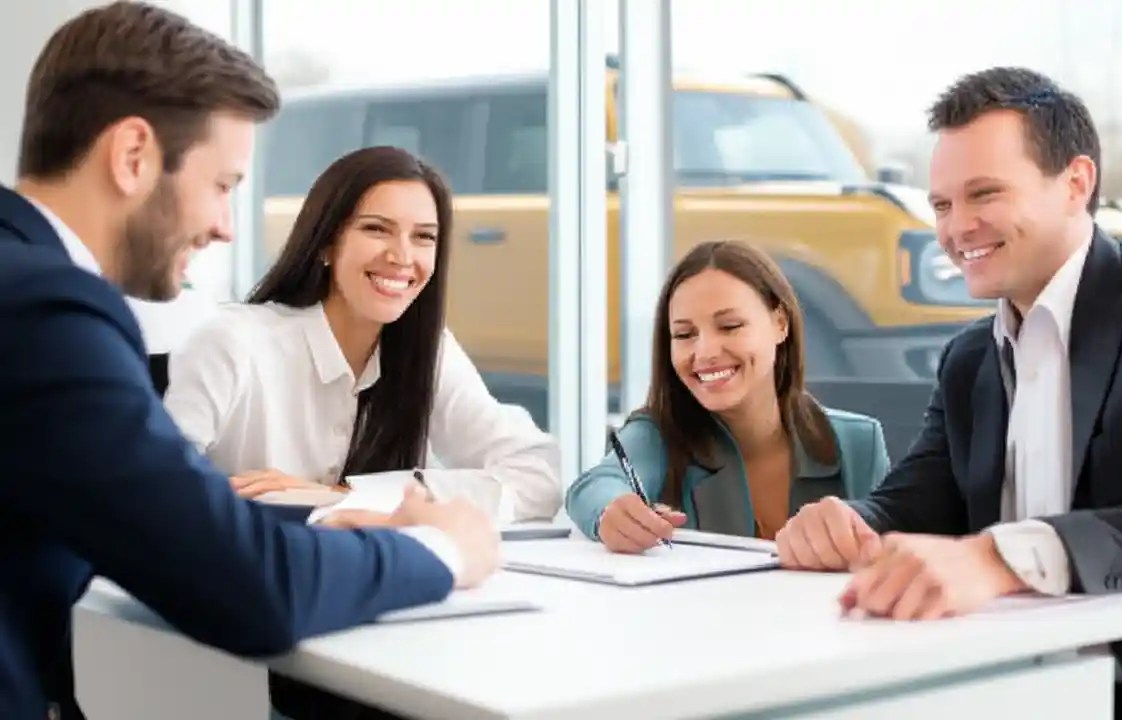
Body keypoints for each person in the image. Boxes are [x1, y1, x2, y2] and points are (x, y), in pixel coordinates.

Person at [0, 4, 498, 718]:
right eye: (222, 185)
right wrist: (439, 550)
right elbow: (250, 589)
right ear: (133, 156)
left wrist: (329, 516)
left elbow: (157, 515)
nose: (225, 227)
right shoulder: (47, 312)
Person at [775, 66, 1122, 718]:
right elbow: (916, 504)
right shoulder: (970, 360)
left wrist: (1001, 558)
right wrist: (849, 525)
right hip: (1016, 685)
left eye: (984, 194)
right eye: (941, 205)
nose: (957, 228)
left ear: (1076, 183)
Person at [163, 145, 562, 523]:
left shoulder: (427, 350)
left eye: (424, 237)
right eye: (377, 229)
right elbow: (156, 488)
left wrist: (351, 496)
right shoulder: (231, 343)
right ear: (326, 244)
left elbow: (540, 476)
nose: (402, 256)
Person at [566, 240, 889, 551]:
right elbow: (595, 485)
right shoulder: (658, 435)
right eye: (684, 334)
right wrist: (612, 513)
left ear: (780, 323)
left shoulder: (859, 442)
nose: (705, 352)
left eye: (730, 326)